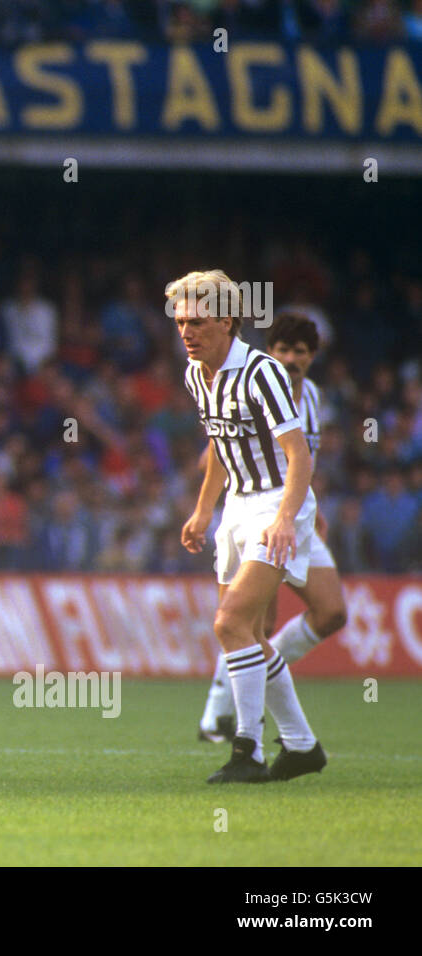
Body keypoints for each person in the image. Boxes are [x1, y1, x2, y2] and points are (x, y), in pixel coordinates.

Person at [174, 270, 327, 783]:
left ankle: (248, 751)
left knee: (228, 624)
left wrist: (286, 520)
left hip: (276, 504)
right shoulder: (196, 374)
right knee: (251, 634)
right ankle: (302, 746)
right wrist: (202, 510)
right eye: (179, 322)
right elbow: (220, 443)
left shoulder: (263, 371)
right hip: (236, 508)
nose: (186, 332)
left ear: (226, 319)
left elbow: (298, 455)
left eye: (196, 321)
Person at [197, 311, 348, 742]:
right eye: (282, 349)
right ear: (270, 351)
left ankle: (264, 704)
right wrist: (206, 500)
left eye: (299, 351)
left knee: (331, 612)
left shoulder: (313, 396)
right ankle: (218, 714)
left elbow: (303, 455)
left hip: (296, 511)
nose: (290, 358)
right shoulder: (258, 386)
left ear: (312, 356)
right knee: (249, 625)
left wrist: (309, 506)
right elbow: (224, 445)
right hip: (262, 511)